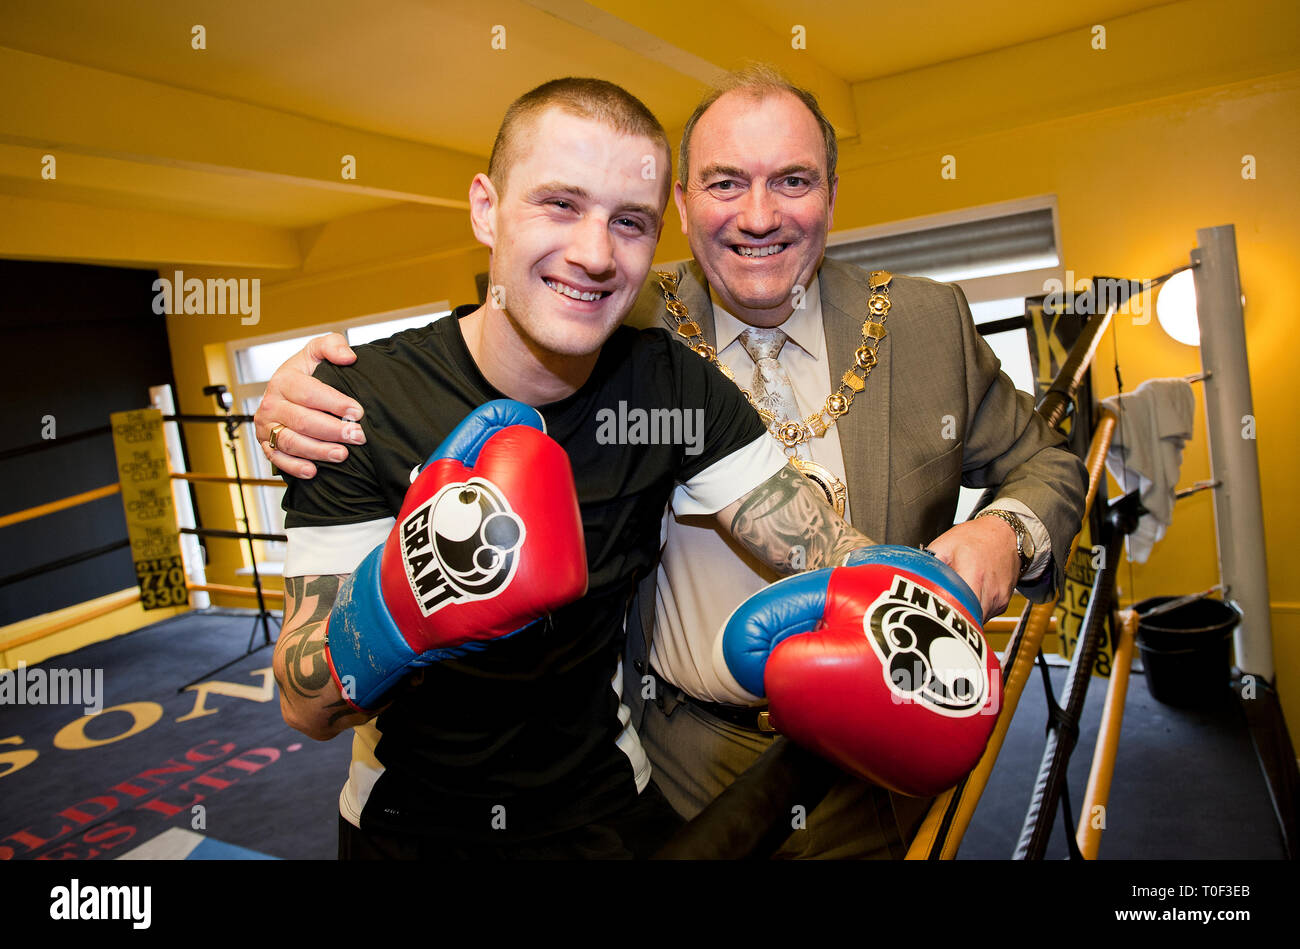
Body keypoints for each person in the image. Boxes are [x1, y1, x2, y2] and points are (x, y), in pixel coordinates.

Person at [259, 67, 1087, 858]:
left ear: (658, 230)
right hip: (409, 826)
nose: (593, 252)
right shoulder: (353, 406)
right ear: (487, 207)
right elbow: (305, 703)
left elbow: (829, 550)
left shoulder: (670, 382)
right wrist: (397, 611)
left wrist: (932, 623)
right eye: (559, 204)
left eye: (628, 222)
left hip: (611, 816)